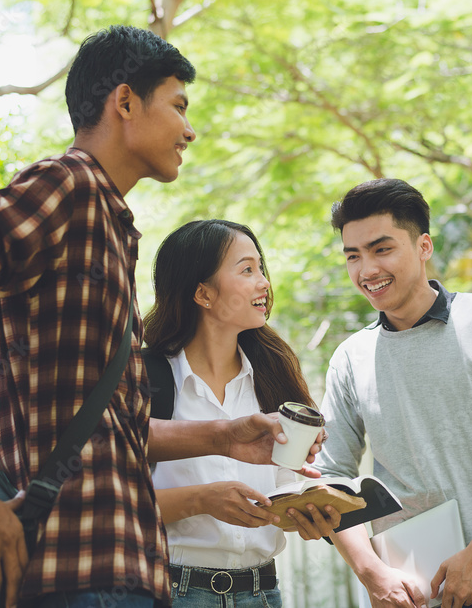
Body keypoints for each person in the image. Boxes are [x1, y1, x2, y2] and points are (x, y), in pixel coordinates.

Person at [0, 25, 322, 608]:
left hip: (121, 572)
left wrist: (224, 435)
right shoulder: (69, 186)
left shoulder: (111, 225)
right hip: (74, 576)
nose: (189, 130)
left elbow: (109, 434)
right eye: (178, 106)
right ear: (125, 102)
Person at [314, 178, 472, 608]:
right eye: (353, 256)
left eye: (382, 249)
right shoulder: (349, 357)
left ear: (424, 247)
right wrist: (373, 574)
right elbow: (330, 481)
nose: (367, 270)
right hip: (407, 594)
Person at [142, 219, 341, 607]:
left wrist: (308, 506)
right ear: (203, 294)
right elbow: (110, 500)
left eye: (261, 268)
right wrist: (201, 499)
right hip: (170, 592)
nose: (264, 282)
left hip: (262, 593)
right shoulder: (146, 380)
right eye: (247, 270)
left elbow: (289, 480)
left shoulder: (275, 376)